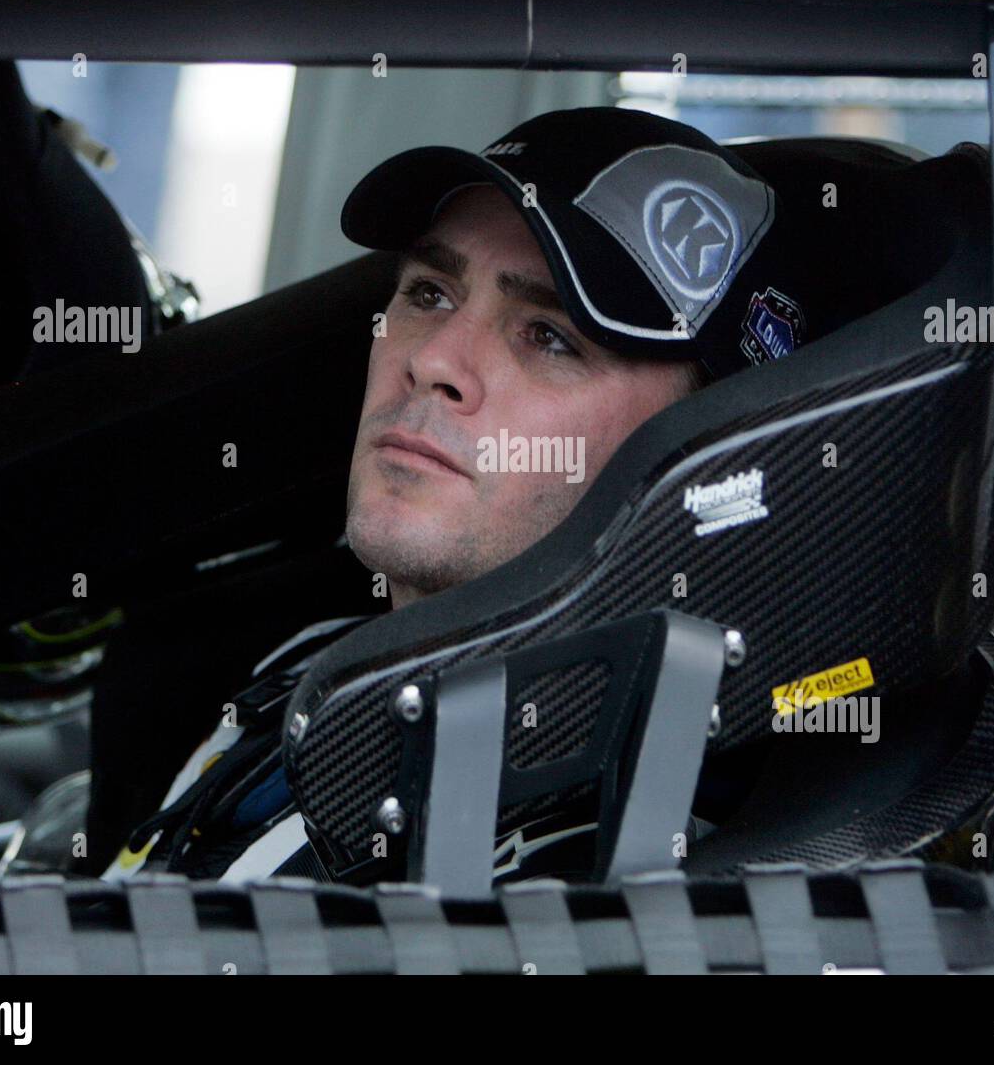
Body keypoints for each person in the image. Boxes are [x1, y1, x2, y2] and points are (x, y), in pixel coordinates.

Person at [100, 105, 840, 883]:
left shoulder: (616, 879)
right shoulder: (305, 671)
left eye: (549, 336)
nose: (434, 361)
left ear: (704, 453)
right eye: (429, 293)